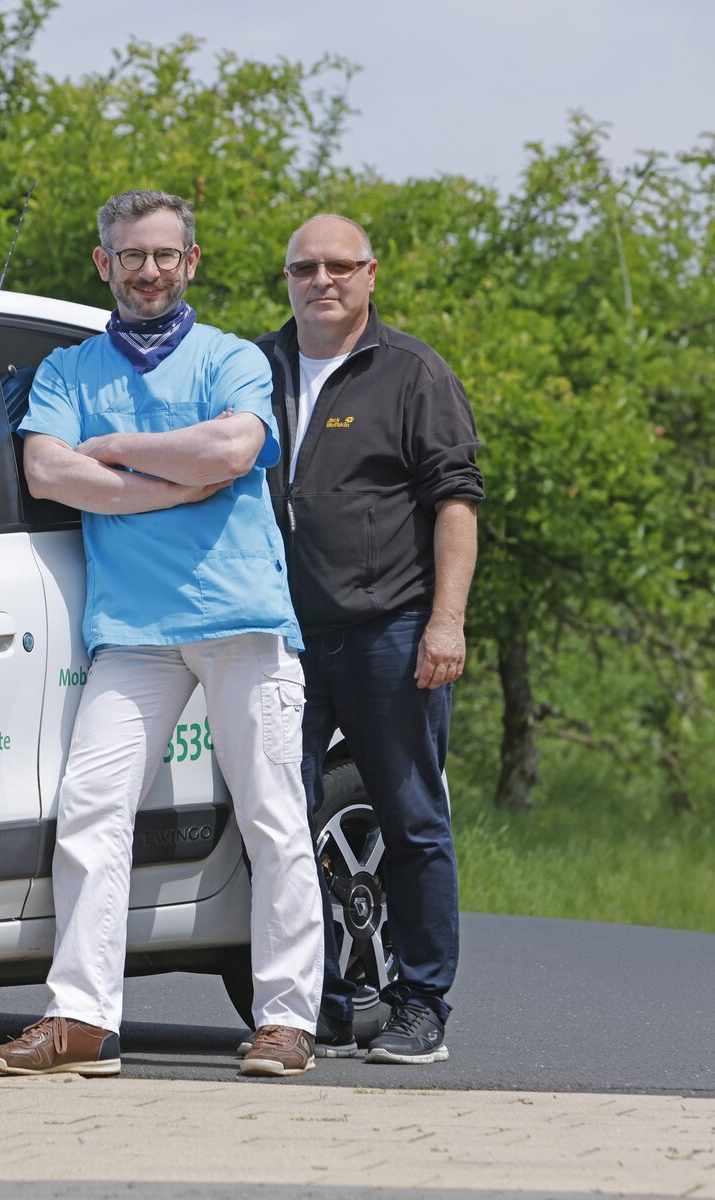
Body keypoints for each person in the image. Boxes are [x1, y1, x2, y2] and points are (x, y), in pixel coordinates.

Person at [0, 189, 325, 1078]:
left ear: (191, 263)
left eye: (165, 255)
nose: (149, 271)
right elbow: (50, 472)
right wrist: (171, 479)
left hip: (242, 619)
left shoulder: (232, 358)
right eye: (131, 256)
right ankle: (83, 1022)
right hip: (131, 632)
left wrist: (118, 448)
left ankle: (286, 1022)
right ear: (105, 265)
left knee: (273, 819)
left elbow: (232, 453)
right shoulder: (67, 372)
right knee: (92, 813)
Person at [256, 214, 484, 1065]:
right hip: (281, 635)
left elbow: (456, 503)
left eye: (340, 267)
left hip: (392, 628)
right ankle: (318, 999)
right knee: (280, 819)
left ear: (371, 274)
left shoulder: (413, 373)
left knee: (411, 818)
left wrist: (446, 622)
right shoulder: (258, 365)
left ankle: (421, 1005)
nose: (323, 280)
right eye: (305, 267)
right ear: (286, 277)